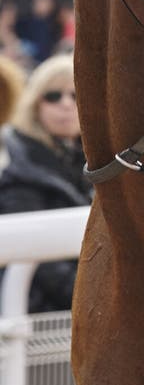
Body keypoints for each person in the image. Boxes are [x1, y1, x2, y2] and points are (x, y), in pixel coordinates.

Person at [0, 53, 92, 313]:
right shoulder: (19, 172)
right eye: (53, 96)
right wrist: (95, 295)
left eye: (75, 96)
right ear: (34, 105)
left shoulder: (98, 165)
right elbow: (41, 264)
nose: (66, 104)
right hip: (40, 320)